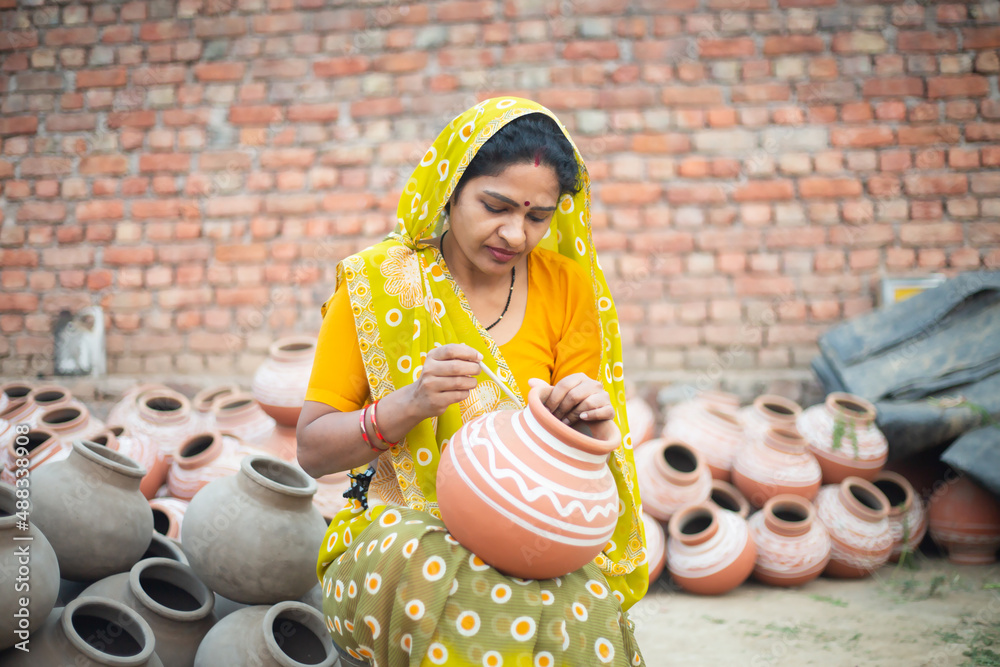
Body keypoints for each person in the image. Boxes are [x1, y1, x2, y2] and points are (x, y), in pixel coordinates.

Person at [297, 97, 648, 666]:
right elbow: (311, 450)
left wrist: (587, 420)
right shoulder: (378, 283)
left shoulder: (567, 287)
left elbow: (578, 463)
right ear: (450, 188)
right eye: (496, 206)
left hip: (529, 531)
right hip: (401, 531)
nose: (515, 233)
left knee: (584, 606)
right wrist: (410, 403)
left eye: (538, 217)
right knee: (460, 585)